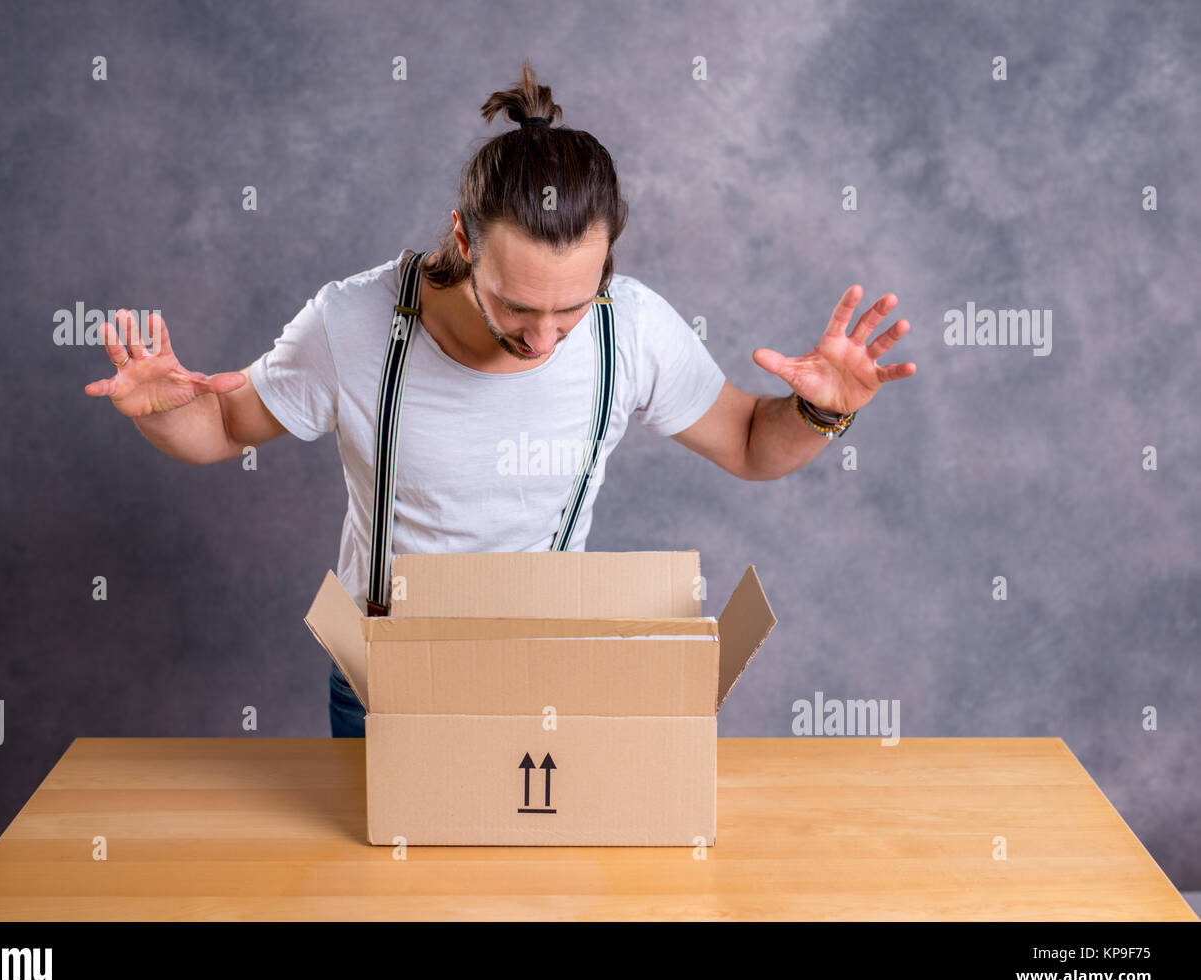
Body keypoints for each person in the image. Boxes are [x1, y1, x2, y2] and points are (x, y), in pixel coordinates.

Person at [84, 61, 915, 738]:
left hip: (544, 665)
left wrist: (817, 411)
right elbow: (226, 424)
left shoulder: (634, 330)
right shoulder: (353, 320)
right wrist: (166, 411)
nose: (546, 338)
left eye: (572, 305)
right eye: (517, 305)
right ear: (462, 241)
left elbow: (745, 444)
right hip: (384, 673)